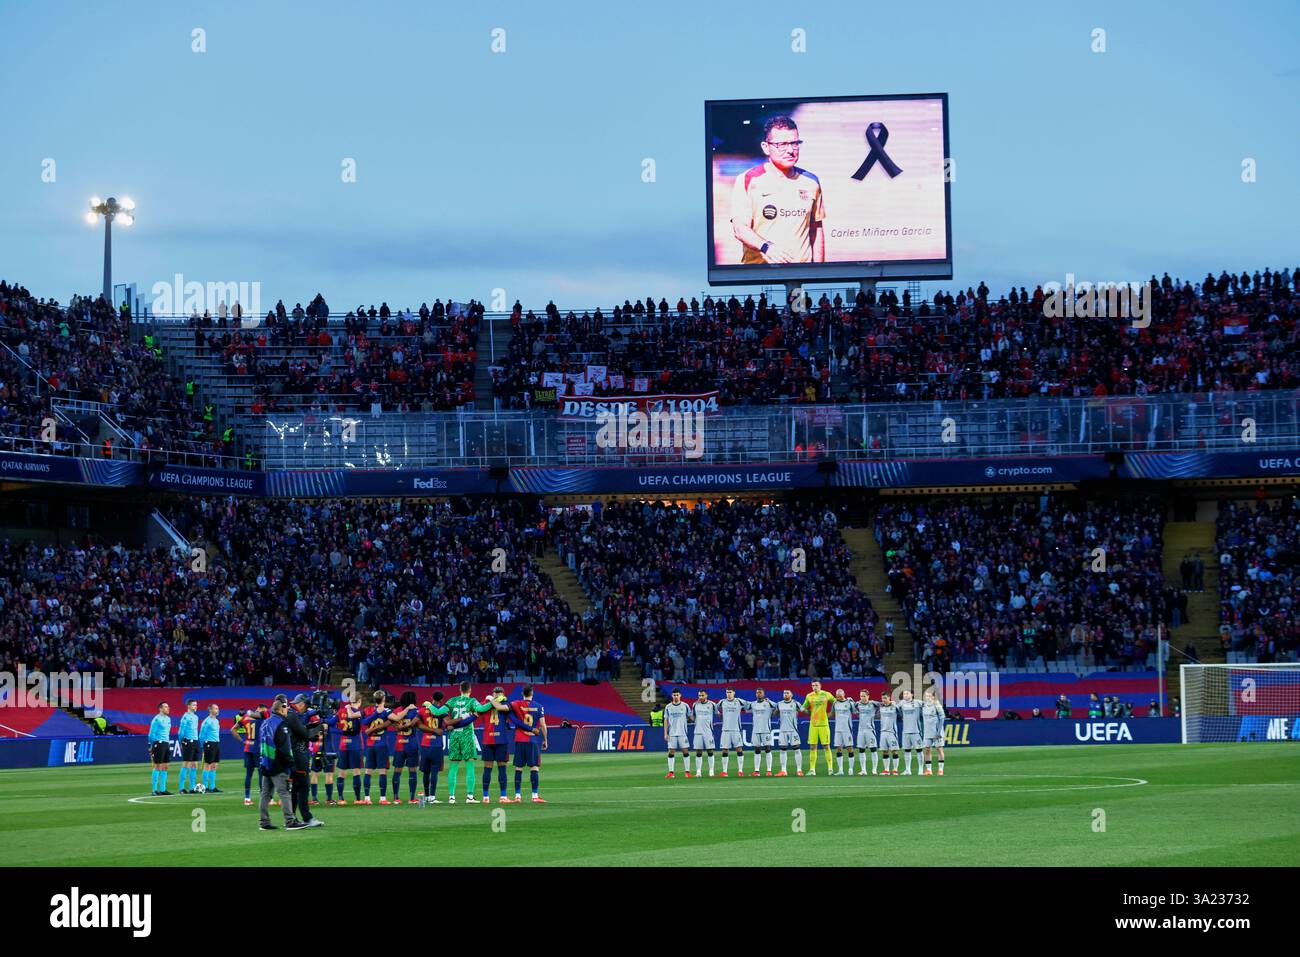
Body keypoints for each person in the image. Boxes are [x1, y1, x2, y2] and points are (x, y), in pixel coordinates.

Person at [729, 114, 825, 265]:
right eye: (782, 144)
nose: (790, 150)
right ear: (766, 147)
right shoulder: (748, 179)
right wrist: (766, 247)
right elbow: (740, 229)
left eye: (795, 143)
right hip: (759, 274)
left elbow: (816, 230)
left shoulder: (811, 182)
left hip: (800, 276)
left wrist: (819, 271)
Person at [444, 680, 494, 804]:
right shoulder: (472, 701)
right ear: (470, 690)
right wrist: (493, 702)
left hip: (455, 735)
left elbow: (442, 713)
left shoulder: (452, 700)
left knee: (453, 766)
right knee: (470, 765)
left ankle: (451, 797)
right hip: (467, 735)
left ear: (459, 689)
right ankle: (470, 797)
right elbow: (482, 708)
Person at [257, 698, 301, 831]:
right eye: (286, 708)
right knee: (284, 792)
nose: (288, 710)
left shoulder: (265, 723)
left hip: (265, 763)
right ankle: (290, 821)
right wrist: (291, 764)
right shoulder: (281, 724)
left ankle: (264, 822)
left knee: (265, 794)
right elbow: (284, 748)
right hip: (277, 764)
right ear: (281, 708)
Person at [283, 694, 324, 827]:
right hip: (299, 755)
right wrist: (319, 727)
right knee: (303, 786)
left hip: (296, 754)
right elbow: (304, 733)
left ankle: (293, 817)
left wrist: (314, 730)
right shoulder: (293, 715)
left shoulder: (291, 715)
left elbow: (303, 732)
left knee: (296, 787)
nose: (299, 706)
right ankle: (305, 817)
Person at [509, 684, 547, 803]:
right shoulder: (539, 706)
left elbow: (506, 707)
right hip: (532, 741)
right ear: (532, 694)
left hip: (520, 739)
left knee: (518, 768)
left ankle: (517, 796)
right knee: (534, 767)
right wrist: (545, 739)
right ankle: (535, 796)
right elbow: (542, 725)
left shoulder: (516, 704)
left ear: (522, 694)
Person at [800, 679, 835, 775]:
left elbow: (836, 703)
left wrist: (831, 713)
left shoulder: (826, 694)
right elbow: (804, 708)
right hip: (813, 725)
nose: (814, 687)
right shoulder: (809, 696)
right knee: (812, 747)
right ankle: (812, 770)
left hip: (824, 724)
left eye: (816, 685)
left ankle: (830, 769)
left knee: (826, 746)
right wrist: (804, 711)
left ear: (820, 685)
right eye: (812, 685)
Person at [743, 687, 778, 776]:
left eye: (760, 692)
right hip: (755, 730)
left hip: (766, 730)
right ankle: (757, 771)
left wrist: (769, 701)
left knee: (768, 749)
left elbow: (778, 706)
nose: (758, 694)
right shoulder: (753, 704)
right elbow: (744, 708)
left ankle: (769, 770)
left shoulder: (768, 703)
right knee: (757, 750)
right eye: (757, 693)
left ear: (764, 694)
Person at [718, 688, 746, 776]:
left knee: (739, 749)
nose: (728, 694)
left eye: (730, 692)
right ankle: (724, 771)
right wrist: (720, 715)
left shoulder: (739, 701)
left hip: (736, 729)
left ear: (734, 693)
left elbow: (750, 705)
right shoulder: (722, 702)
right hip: (725, 730)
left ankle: (740, 771)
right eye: (727, 692)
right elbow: (715, 709)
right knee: (725, 750)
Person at [690, 689, 718, 778]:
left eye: (702, 695)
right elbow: (692, 717)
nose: (700, 697)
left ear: (706, 695)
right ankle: (698, 772)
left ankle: (711, 771)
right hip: (698, 731)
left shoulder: (712, 704)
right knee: (698, 751)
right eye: (699, 695)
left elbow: (718, 714)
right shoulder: (695, 705)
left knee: (710, 751)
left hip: (708, 731)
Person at [663, 688, 690, 779]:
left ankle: (687, 772)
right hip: (672, 733)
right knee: (671, 751)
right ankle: (671, 772)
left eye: (677, 695)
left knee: (685, 751)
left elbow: (691, 717)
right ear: (672, 696)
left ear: (680, 695)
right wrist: (665, 733)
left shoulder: (685, 706)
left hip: (683, 733)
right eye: (674, 695)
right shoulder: (668, 707)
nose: (676, 696)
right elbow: (666, 720)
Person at [775, 689, 804, 776]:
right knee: (782, 750)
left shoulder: (795, 703)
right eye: (784, 693)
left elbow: (804, 710)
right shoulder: (779, 704)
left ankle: (799, 770)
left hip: (793, 730)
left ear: (791, 694)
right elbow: (775, 713)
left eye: (787, 693)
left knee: (797, 749)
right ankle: (783, 771)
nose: (785, 694)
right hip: (783, 730)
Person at [148, 701, 172, 796]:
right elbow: (151, 734)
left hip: (166, 743)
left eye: (168, 706)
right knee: (157, 766)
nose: (168, 708)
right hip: (158, 744)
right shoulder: (156, 719)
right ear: (160, 709)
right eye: (166, 707)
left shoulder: (168, 719)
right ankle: (154, 790)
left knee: (165, 766)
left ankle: (163, 789)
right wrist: (151, 745)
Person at [830, 688, 856, 775]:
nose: (838, 698)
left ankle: (850, 769)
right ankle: (840, 770)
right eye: (837, 696)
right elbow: (832, 714)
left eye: (840, 696)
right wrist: (822, 716)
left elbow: (856, 712)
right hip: (838, 729)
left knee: (849, 748)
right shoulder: (835, 703)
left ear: (844, 694)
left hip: (847, 729)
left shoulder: (849, 703)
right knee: (838, 748)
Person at [177, 699, 200, 793]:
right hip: (188, 741)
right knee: (186, 763)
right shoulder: (185, 717)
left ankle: (192, 787)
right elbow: (181, 731)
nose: (196, 706)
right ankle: (181, 788)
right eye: (194, 705)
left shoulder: (196, 717)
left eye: (196, 705)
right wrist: (181, 741)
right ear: (189, 706)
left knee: (194, 764)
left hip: (195, 741)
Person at [853, 691, 879, 775]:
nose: (862, 698)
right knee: (861, 750)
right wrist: (856, 712)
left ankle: (874, 769)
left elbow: (884, 704)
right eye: (861, 696)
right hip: (861, 730)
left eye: (864, 696)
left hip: (870, 730)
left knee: (873, 749)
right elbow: (851, 707)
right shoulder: (858, 704)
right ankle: (863, 770)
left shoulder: (873, 703)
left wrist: (877, 714)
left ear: (868, 696)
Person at [921, 690, 946, 776]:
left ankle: (940, 769)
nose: (927, 698)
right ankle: (928, 770)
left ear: (933, 697)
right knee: (927, 750)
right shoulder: (923, 706)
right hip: (927, 732)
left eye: (929, 696)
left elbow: (942, 718)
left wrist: (939, 732)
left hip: (936, 732)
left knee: (939, 749)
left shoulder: (937, 705)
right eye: (926, 696)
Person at [199, 703, 222, 793]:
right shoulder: (207, 721)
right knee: (207, 765)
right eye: (216, 708)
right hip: (209, 744)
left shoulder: (216, 721)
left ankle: (212, 787)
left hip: (216, 743)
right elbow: (201, 736)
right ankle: (204, 787)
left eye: (218, 708)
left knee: (214, 765)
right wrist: (203, 746)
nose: (217, 710)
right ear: (210, 710)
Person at [878, 693, 900, 775]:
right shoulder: (881, 707)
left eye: (885, 698)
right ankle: (886, 770)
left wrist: (895, 704)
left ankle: (895, 770)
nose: (883, 700)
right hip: (883, 732)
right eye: (882, 698)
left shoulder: (894, 706)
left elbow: (900, 713)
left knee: (894, 751)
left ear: (889, 698)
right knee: (884, 751)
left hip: (892, 732)